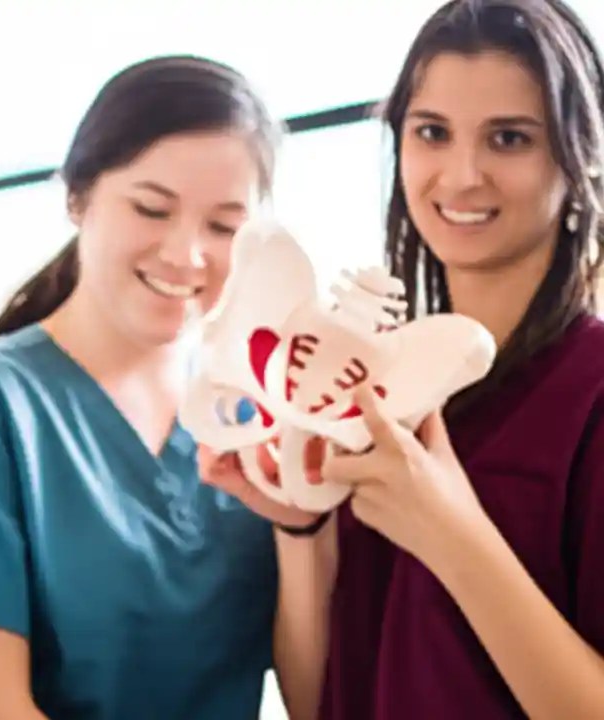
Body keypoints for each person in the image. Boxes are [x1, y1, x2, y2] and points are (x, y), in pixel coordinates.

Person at [205, 1, 604, 718]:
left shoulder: (592, 394)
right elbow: (318, 701)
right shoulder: (370, 384)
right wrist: (301, 526)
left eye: (509, 138)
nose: (461, 175)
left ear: (577, 162)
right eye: (432, 133)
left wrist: (451, 535)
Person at [0, 56, 310, 719]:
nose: (186, 253)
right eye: (152, 209)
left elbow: (318, 698)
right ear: (77, 197)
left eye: (224, 227)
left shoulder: (261, 415)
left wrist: (303, 526)